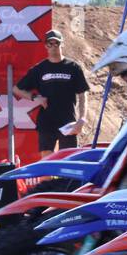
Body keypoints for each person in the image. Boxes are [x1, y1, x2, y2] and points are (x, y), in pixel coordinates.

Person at [14, 29, 89, 158]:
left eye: (56, 43)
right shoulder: (39, 69)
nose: (53, 47)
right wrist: (35, 97)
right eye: (50, 43)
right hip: (46, 121)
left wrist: (82, 119)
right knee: (47, 158)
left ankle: (66, 179)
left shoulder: (73, 67)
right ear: (45, 46)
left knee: (68, 158)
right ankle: (46, 179)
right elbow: (16, 89)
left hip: (68, 121)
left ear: (62, 44)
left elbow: (83, 95)